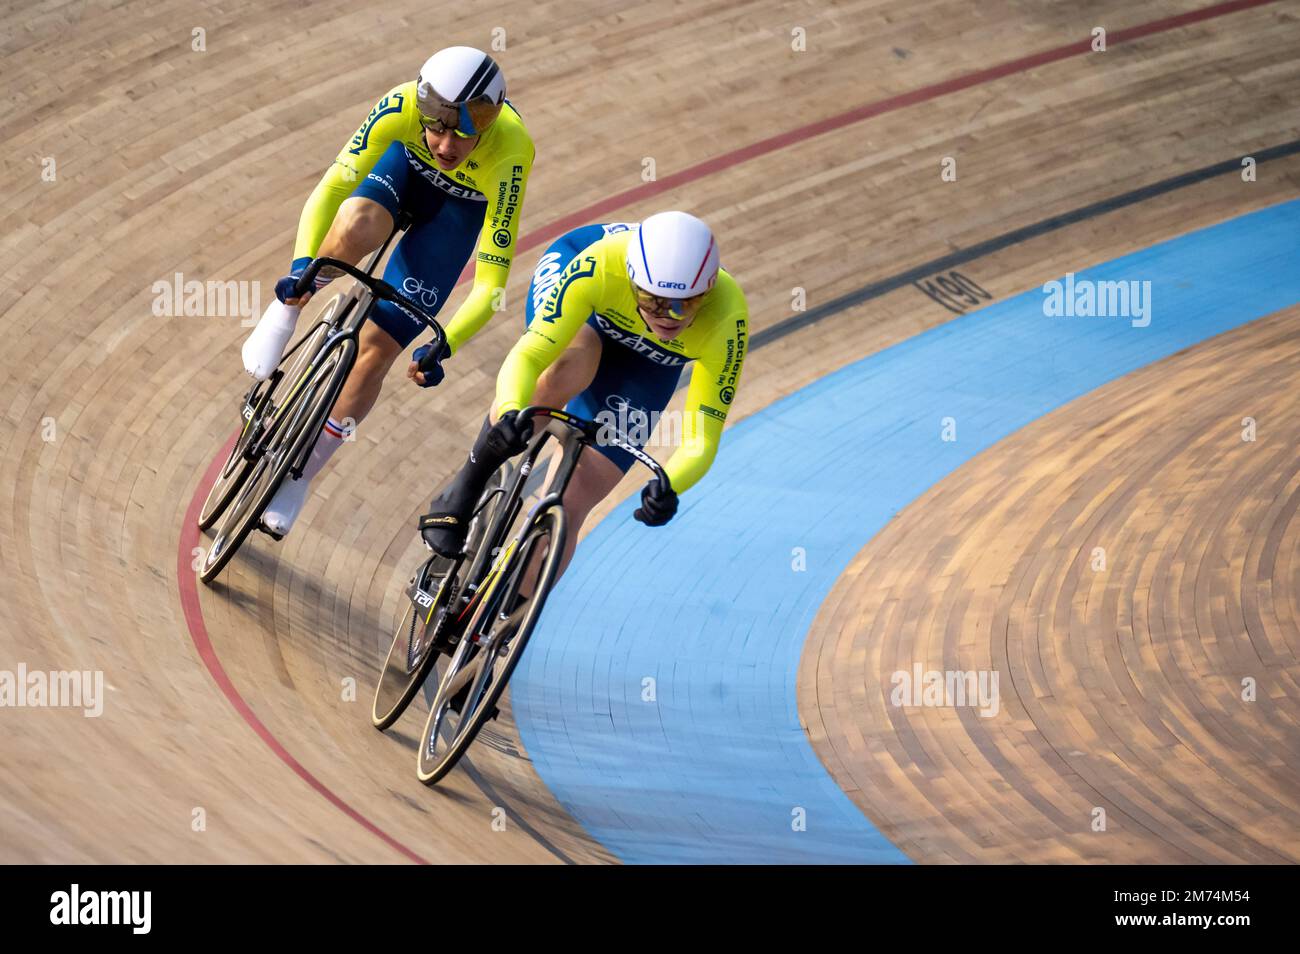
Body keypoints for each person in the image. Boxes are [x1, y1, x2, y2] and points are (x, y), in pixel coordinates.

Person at [238, 46, 534, 537]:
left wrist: (446, 342)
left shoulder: (512, 149)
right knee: (357, 223)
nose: (445, 145)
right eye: (436, 127)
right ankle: (286, 311)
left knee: (377, 351)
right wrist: (297, 272)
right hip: (401, 174)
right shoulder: (399, 107)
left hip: (456, 217)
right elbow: (332, 189)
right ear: (421, 110)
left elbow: (491, 283)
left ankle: (300, 476)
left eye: (464, 134)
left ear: (490, 122)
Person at [417, 211, 748, 579]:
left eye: (683, 304)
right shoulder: (600, 265)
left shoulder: (727, 319)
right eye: (653, 301)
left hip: (647, 366)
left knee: (571, 505)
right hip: (582, 296)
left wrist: (669, 483)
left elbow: (701, 436)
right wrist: (512, 410)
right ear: (632, 279)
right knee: (571, 365)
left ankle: (500, 624)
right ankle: (465, 488)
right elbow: (530, 355)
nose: (666, 316)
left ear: (709, 290)